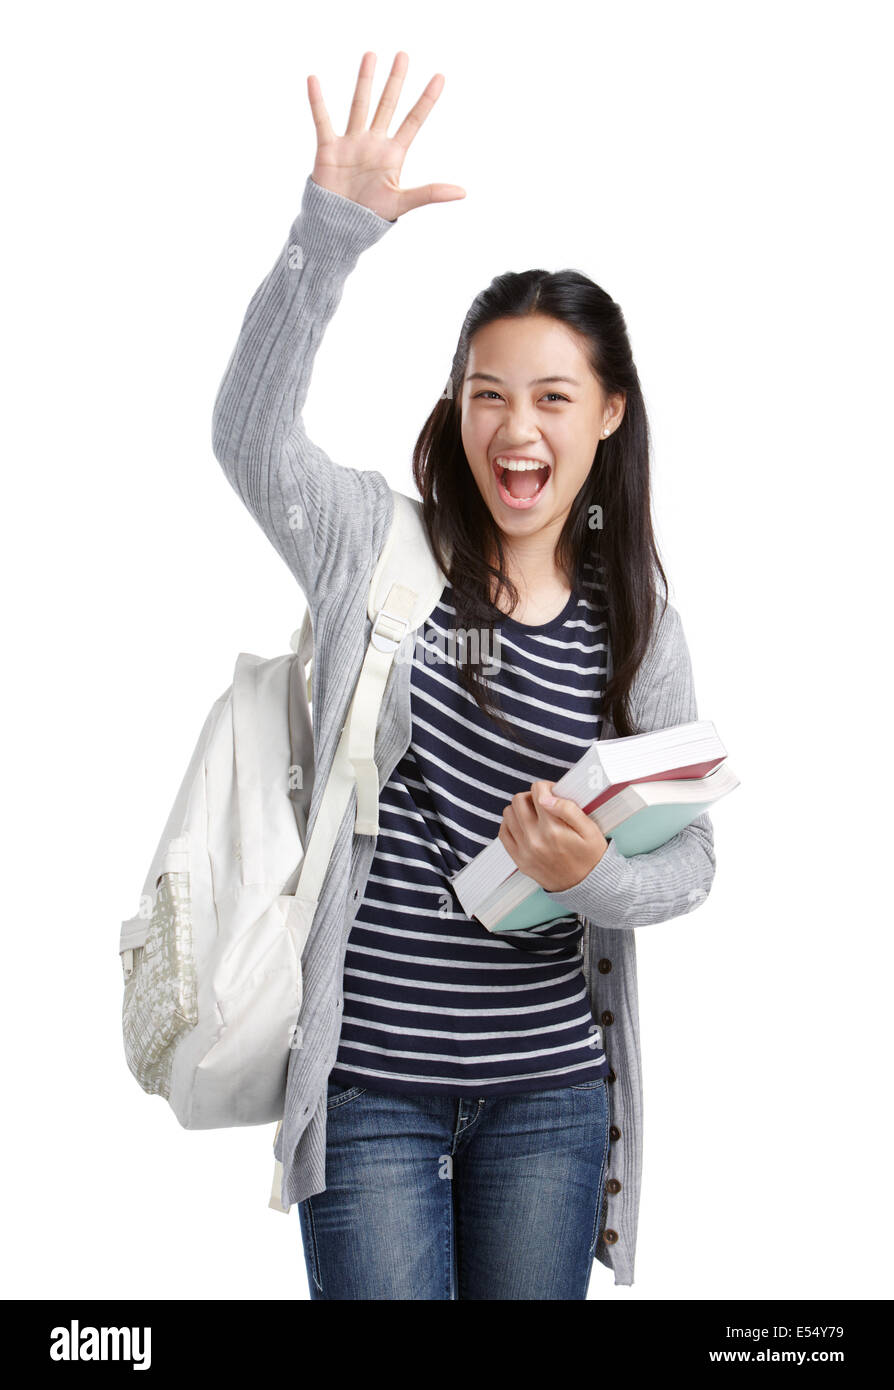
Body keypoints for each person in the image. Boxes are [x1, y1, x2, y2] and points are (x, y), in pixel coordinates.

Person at [211, 49, 716, 1300]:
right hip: (373, 1084)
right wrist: (330, 237)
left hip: (549, 1099)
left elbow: (693, 866)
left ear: (607, 415)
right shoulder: (368, 545)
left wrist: (593, 871)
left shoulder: (636, 617)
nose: (514, 427)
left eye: (552, 396)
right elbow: (247, 432)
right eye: (487, 394)